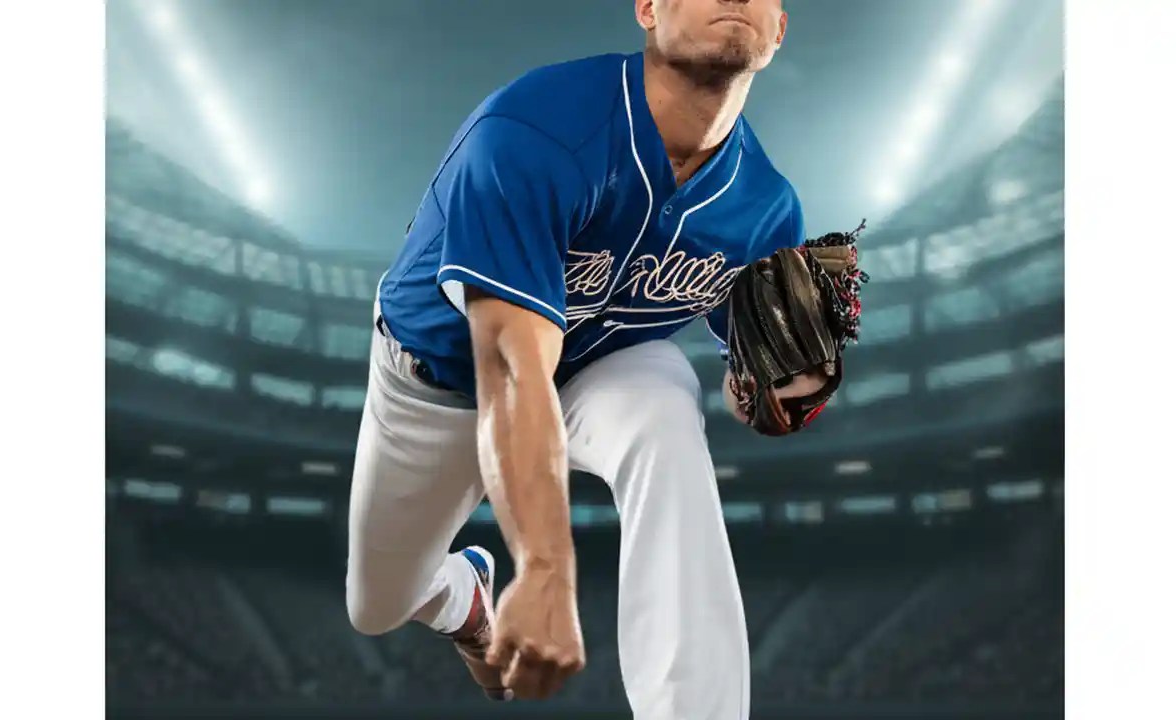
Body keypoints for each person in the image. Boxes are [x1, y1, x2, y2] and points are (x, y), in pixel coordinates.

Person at [346, 1, 825, 717]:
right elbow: (512, 366)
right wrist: (543, 568)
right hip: (445, 379)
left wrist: (792, 384)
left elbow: (752, 389)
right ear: (649, 8)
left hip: (604, 371)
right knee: (378, 604)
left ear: (778, 30)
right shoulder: (533, 129)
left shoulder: (768, 210)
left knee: (664, 411)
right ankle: (460, 597)